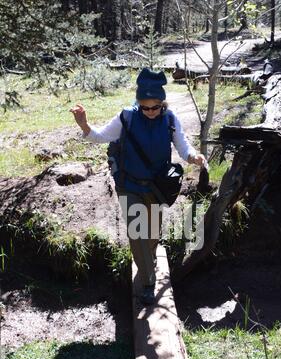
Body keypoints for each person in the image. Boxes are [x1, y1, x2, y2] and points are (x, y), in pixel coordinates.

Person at [70, 68, 208, 305]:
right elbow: (100, 136)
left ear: (162, 103)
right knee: (138, 234)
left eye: (155, 106)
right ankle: (148, 282)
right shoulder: (127, 117)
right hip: (129, 185)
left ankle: (148, 261)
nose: (150, 111)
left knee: (153, 234)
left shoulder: (170, 119)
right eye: (145, 107)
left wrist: (194, 157)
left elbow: (183, 146)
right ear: (138, 103)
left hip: (155, 187)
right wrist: (84, 125)